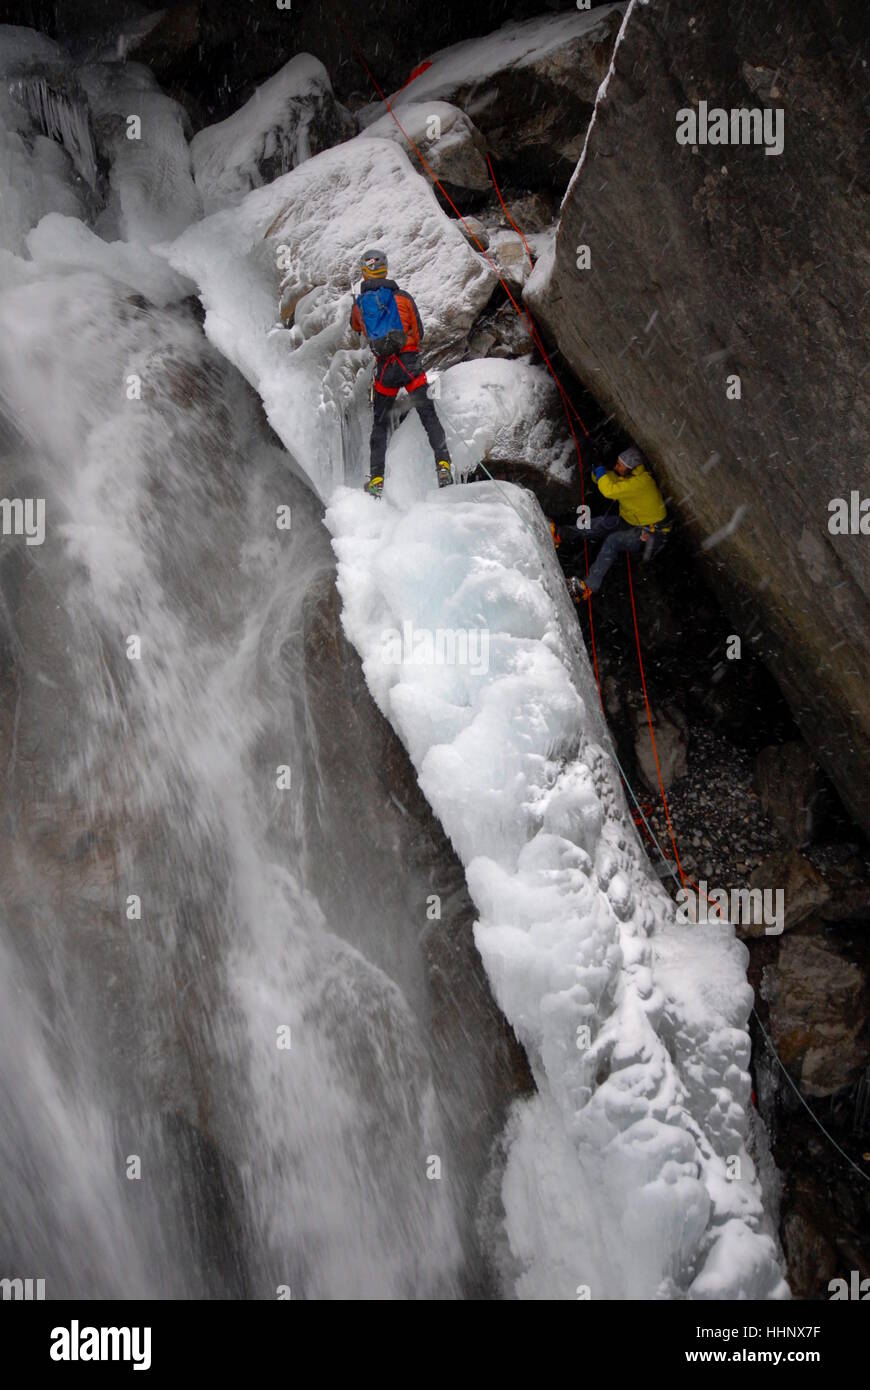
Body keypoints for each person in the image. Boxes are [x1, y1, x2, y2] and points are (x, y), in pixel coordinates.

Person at [349, 249, 453, 497]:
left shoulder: (360, 305)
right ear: (386, 269)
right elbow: (418, 333)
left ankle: (376, 481)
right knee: (428, 415)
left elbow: (356, 327)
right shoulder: (403, 298)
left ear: (365, 272)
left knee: (380, 424)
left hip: (385, 369)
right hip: (409, 365)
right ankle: (443, 466)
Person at [554, 445, 671, 600]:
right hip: (631, 522)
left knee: (613, 541)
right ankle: (561, 534)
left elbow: (609, 490)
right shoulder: (629, 477)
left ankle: (587, 588)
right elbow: (611, 480)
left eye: (619, 465)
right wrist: (598, 473)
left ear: (630, 468)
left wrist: (602, 473)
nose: (616, 467)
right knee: (600, 523)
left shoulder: (642, 483)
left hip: (653, 533)